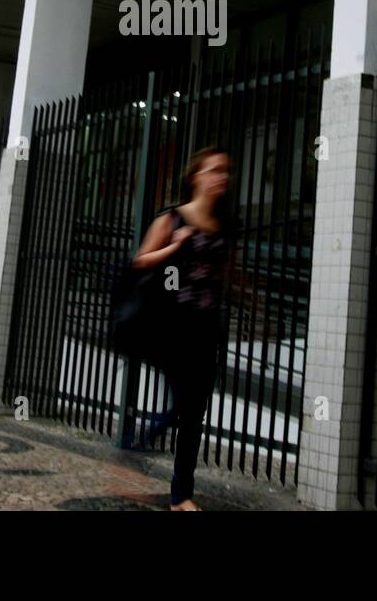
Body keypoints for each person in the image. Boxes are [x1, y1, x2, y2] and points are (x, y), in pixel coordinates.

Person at [132, 146, 239, 511]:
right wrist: (173, 248)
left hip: (208, 328)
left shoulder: (225, 226)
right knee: (184, 404)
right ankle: (157, 440)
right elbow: (141, 261)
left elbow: (225, 273)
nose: (221, 177)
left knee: (195, 412)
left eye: (225, 171)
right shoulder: (173, 219)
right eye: (214, 170)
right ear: (196, 176)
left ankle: (181, 495)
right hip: (174, 325)